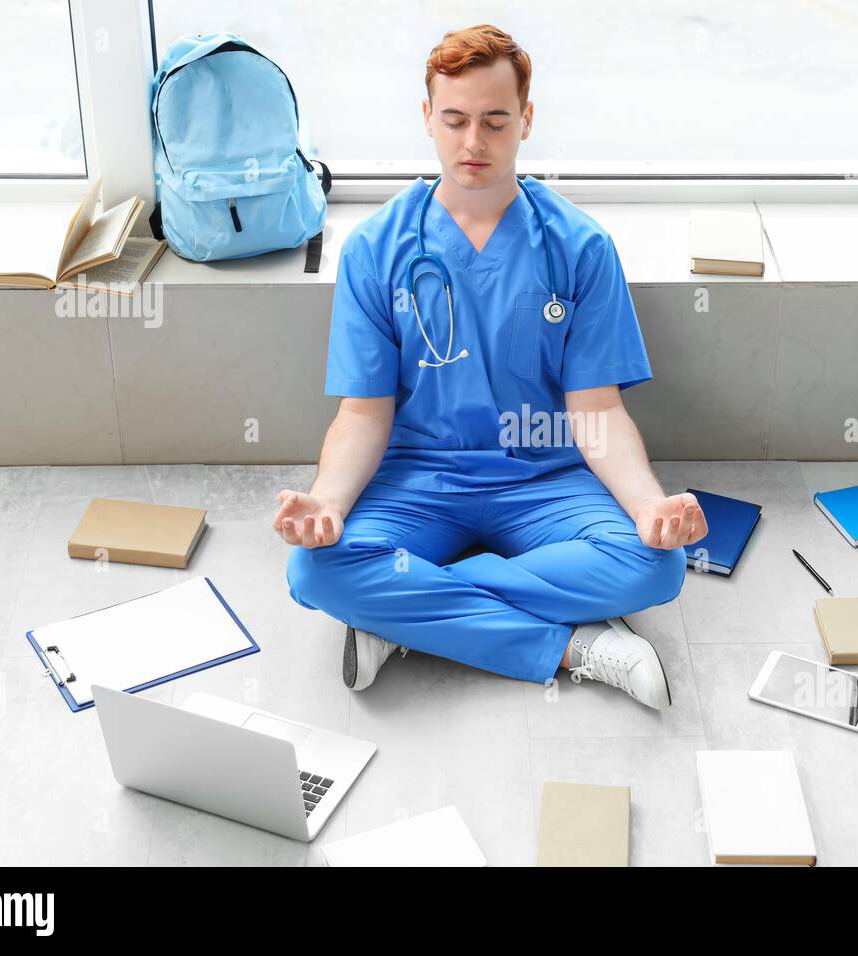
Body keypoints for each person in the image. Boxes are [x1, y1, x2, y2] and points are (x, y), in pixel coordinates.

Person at [275, 24, 706, 710]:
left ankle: (404, 616)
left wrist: (648, 505)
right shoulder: (375, 249)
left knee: (656, 565)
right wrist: (327, 502)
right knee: (314, 570)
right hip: (419, 477)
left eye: (495, 121)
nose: (472, 142)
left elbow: (596, 413)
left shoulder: (580, 247)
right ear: (428, 119)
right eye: (454, 120)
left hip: (543, 476)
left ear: (526, 120)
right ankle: (577, 647)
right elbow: (362, 414)